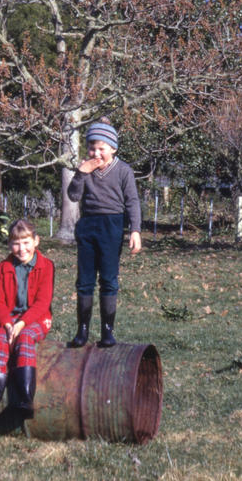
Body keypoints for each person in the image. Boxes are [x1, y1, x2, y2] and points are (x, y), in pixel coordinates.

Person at [0, 218, 54, 431]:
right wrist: (8, 324)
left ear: (36, 241)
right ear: (10, 245)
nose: (21, 248)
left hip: (36, 317)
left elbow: (43, 303)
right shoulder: (4, 267)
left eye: (26, 242)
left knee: (25, 338)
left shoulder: (46, 266)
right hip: (9, 318)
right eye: (16, 243)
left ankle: (24, 399)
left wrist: (22, 323)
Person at [65, 119, 142, 348]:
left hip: (112, 225)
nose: (96, 153)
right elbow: (74, 196)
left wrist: (135, 230)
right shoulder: (85, 169)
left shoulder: (123, 171)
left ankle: (108, 331)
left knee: (108, 279)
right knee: (85, 280)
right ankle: (82, 330)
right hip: (88, 225)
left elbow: (132, 202)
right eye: (92, 148)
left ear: (113, 149)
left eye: (101, 148)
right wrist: (80, 173)